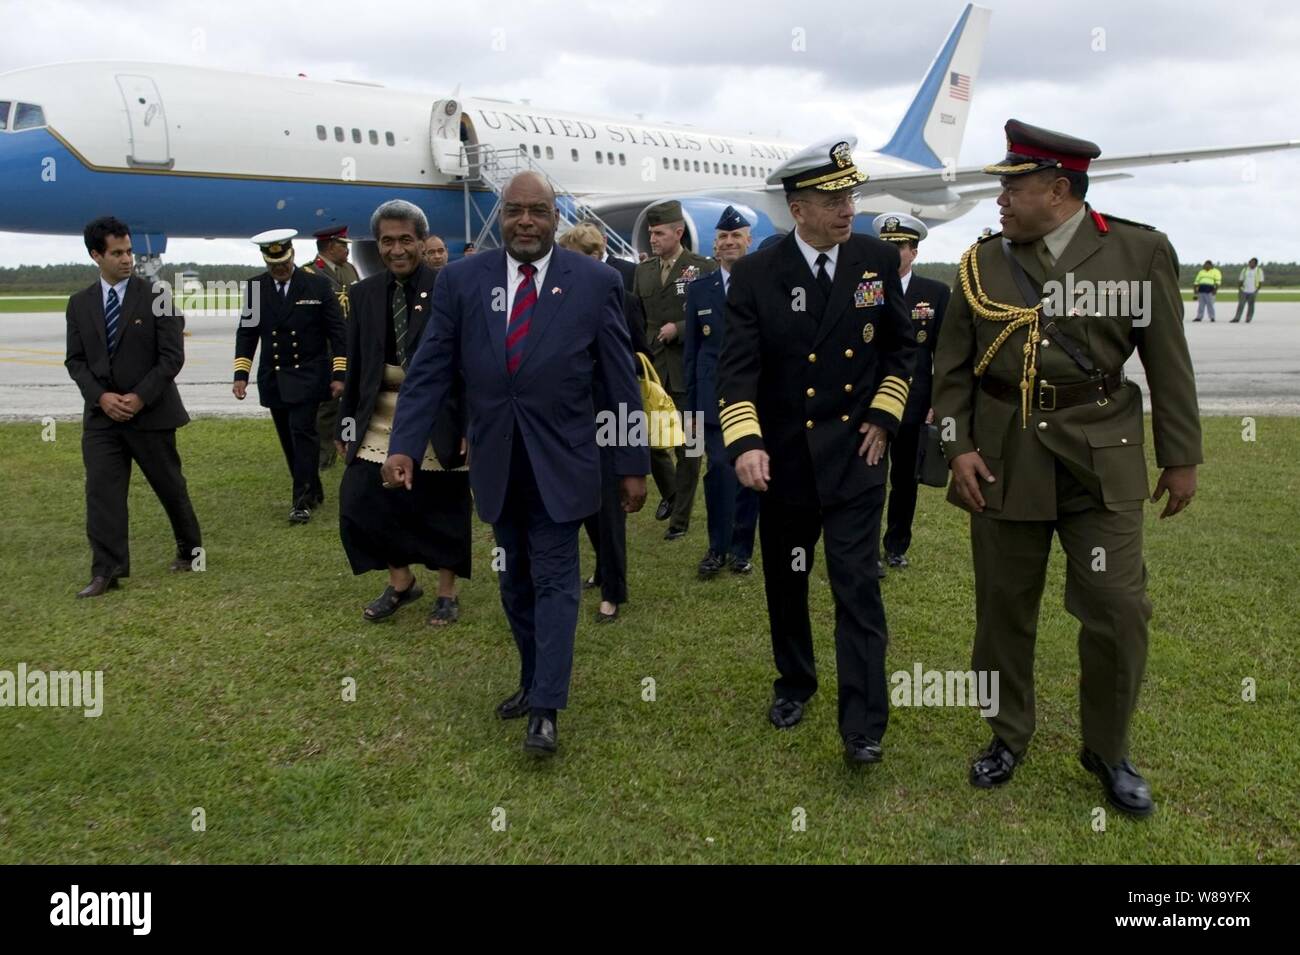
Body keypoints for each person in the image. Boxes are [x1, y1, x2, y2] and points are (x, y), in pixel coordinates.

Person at [932, 119, 1202, 817]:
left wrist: (1180, 455)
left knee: (1118, 609)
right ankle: (1008, 733)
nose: (999, 199)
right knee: (1002, 611)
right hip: (1002, 462)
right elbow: (951, 370)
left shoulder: (1138, 252)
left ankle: (1108, 749)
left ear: (1058, 190)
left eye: (1012, 186)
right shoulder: (980, 263)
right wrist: (956, 445)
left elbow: (1168, 361)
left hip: (1099, 462)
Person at [382, 172, 649, 756]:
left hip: (566, 462)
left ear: (556, 217)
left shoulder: (595, 281)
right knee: (514, 583)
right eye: (515, 211)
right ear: (501, 216)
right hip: (497, 465)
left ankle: (547, 706)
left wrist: (633, 461)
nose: (525, 221)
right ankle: (532, 679)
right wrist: (403, 443)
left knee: (555, 580)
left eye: (538, 211)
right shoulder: (461, 281)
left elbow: (619, 382)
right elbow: (429, 369)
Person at [718, 137, 919, 765]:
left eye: (851, 196)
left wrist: (885, 418)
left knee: (857, 585)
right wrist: (746, 443)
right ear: (797, 208)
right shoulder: (755, 274)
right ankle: (795, 681)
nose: (847, 209)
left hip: (857, 455)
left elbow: (903, 348)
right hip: (784, 462)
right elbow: (737, 370)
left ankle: (863, 725)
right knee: (789, 579)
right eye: (832, 199)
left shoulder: (876, 260)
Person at [337, 201, 471, 625]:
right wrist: (347, 426)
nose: (397, 250)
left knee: (441, 507)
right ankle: (401, 583)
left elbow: (470, 364)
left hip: (439, 412)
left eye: (406, 240)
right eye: (387, 241)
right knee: (362, 503)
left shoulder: (451, 286)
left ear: (423, 241)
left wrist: (470, 424)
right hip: (378, 414)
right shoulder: (362, 293)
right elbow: (356, 366)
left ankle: (447, 594)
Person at [65, 216, 203, 598]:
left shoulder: (157, 295)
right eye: (117, 253)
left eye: (129, 251)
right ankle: (106, 570)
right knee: (103, 493)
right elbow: (75, 361)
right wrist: (102, 398)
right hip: (102, 418)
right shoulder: (79, 305)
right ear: (96, 255)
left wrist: (139, 396)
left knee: (169, 486)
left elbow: (171, 356)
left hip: (152, 413)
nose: (127, 259)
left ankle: (191, 551)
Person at [558, 222, 651, 622]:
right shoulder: (556, 301)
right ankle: (599, 569)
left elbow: (634, 357)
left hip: (608, 416)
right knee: (580, 507)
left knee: (608, 511)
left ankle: (613, 591)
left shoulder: (620, 295)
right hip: (567, 419)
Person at [232, 229, 345, 523]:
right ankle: (314, 489)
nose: (279, 269)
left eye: (283, 263)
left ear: (292, 255)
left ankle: (301, 501)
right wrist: (240, 374)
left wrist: (340, 373)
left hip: (308, 374)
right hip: (274, 376)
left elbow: (338, 332)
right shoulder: (257, 289)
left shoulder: (316, 286)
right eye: (274, 265)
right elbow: (247, 333)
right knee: (288, 440)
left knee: (303, 434)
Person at [870, 212, 950, 574]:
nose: (892, 252)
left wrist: (937, 402)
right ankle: (867, 547)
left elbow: (942, 353)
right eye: (885, 246)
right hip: (870, 403)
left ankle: (896, 545)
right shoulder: (864, 288)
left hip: (914, 403)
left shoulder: (934, 293)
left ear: (913, 252)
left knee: (904, 480)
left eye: (899, 246)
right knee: (869, 478)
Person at [683, 205, 759, 579]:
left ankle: (742, 550)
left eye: (736, 237)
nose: (729, 243)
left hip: (754, 399)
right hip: (710, 401)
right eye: (723, 238)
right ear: (715, 246)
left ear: (749, 242)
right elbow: (692, 353)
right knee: (718, 473)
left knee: (750, 474)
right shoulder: (699, 290)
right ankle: (717, 547)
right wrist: (690, 415)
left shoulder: (765, 286)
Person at [633, 200, 716, 539]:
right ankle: (671, 493)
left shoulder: (702, 268)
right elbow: (637, 316)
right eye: (651, 233)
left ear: (678, 232)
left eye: (659, 233)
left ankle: (679, 521)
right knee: (649, 440)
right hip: (653, 370)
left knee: (689, 447)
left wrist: (680, 329)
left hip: (687, 369)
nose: (652, 239)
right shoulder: (644, 271)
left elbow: (712, 315)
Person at [308, 226, 359, 470]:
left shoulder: (350, 269)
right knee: (328, 402)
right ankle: (323, 454)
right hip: (326, 347)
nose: (347, 250)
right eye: (343, 245)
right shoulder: (309, 273)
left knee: (352, 398)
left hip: (351, 344)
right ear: (329, 247)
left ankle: (351, 444)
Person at [1231, 257, 1264, 323]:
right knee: (1241, 305)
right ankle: (1237, 318)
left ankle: (1248, 318)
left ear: (1255, 264)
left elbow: (1261, 281)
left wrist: (1257, 290)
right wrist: (1240, 289)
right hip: (1243, 290)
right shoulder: (1245, 269)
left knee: (1251, 306)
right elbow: (1240, 279)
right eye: (1249, 262)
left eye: (1252, 262)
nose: (1250, 263)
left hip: (1253, 291)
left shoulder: (1259, 271)